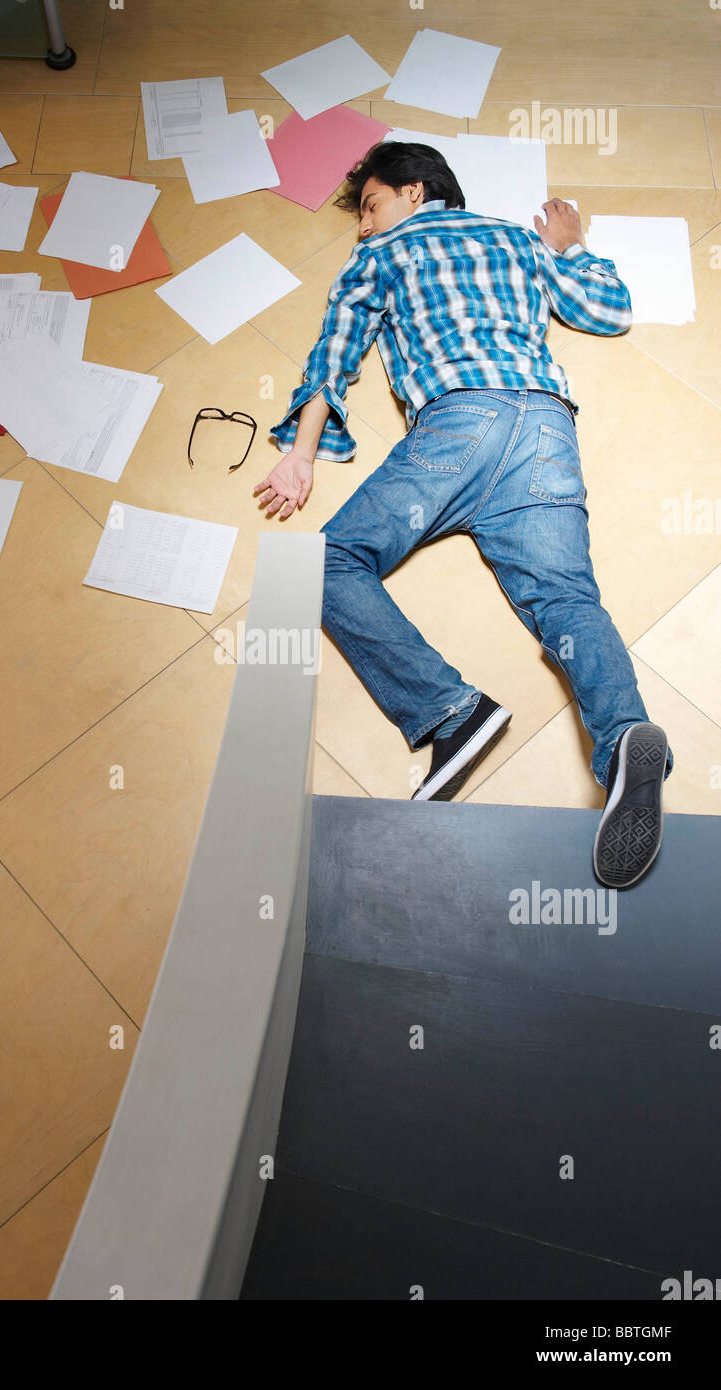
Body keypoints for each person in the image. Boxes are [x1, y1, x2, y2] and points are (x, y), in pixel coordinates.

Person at [253, 141, 672, 891]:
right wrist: (569, 247)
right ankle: (623, 737)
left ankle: (452, 713)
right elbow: (609, 312)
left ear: (414, 193)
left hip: (458, 426)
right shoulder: (519, 240)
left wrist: (301, 455)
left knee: (327, 561)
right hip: (545, 429)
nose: (361, 226)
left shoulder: (384, 253)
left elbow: (333, 354)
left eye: (371, 205)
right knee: (567, 602)